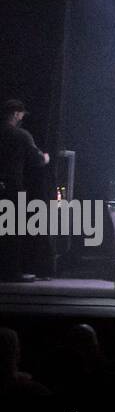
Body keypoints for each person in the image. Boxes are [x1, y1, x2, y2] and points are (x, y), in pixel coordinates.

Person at [0, 100, 49, 282]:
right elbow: (37, 160)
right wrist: (45, 157)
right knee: (11, 232)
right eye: (20, 114)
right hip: (12, 186)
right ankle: (11, 272)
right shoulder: (20, 135)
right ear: (15, 114)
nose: (21, 118)